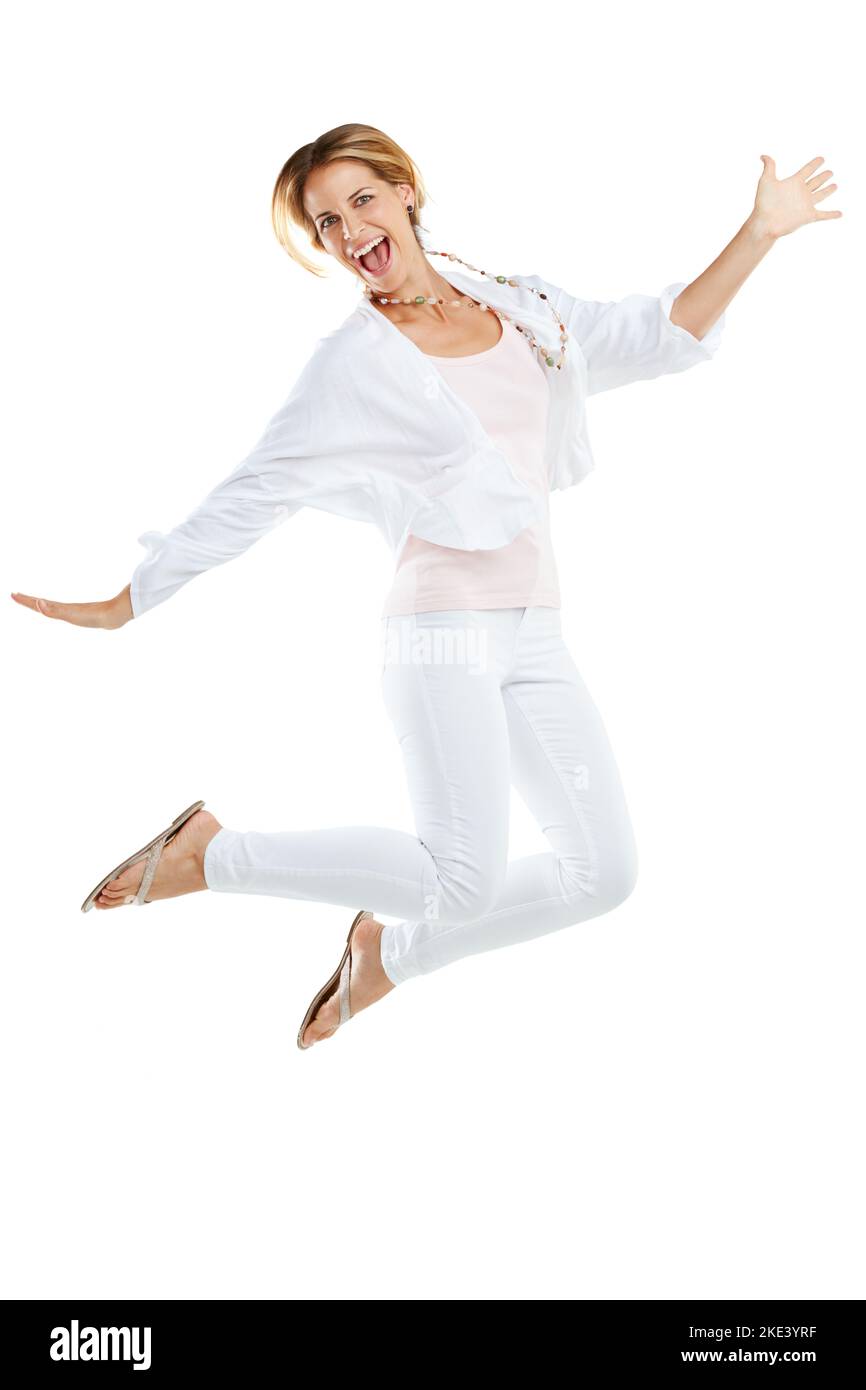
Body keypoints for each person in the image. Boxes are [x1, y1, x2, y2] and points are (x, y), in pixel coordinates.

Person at [12, 127, 841, 1048]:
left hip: (536, 632)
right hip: (441, 632)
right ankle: (213, 857)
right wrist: (130, 599)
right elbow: (255, 488)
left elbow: (664, 332)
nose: (349, 230)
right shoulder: (355, 363)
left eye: (361, 201)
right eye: (326, 222)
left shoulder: (522, 309)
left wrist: (761, 231)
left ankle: (389, 957)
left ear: (405, 193)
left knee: (603, 874)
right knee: (461, 881)